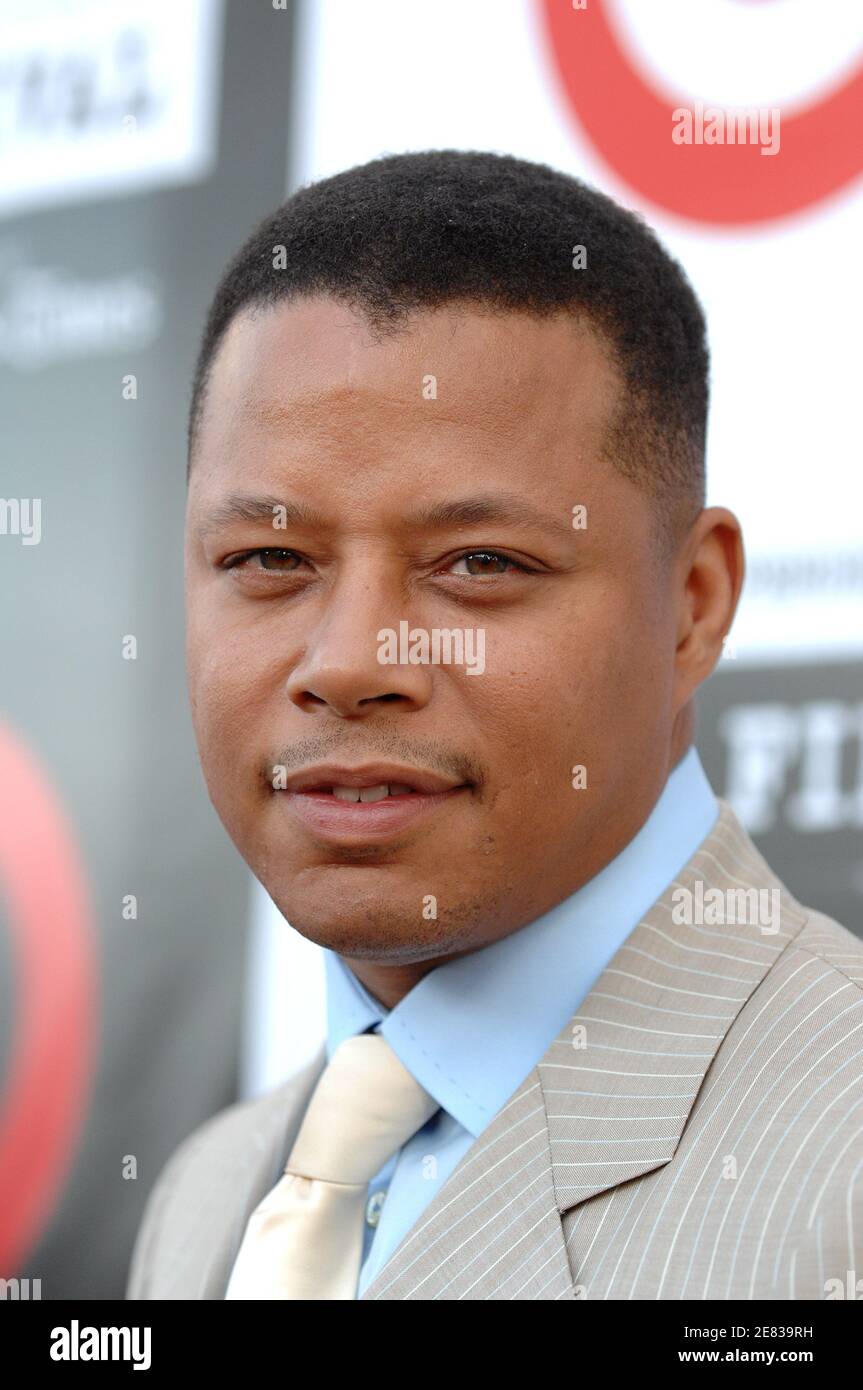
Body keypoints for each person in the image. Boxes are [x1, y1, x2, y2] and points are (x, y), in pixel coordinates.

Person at [126, 149, 863, 1301]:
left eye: (479, 563)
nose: (352, 662)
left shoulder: (838, 1175)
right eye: (269, 558)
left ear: (692, 604)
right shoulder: (206, 1198)